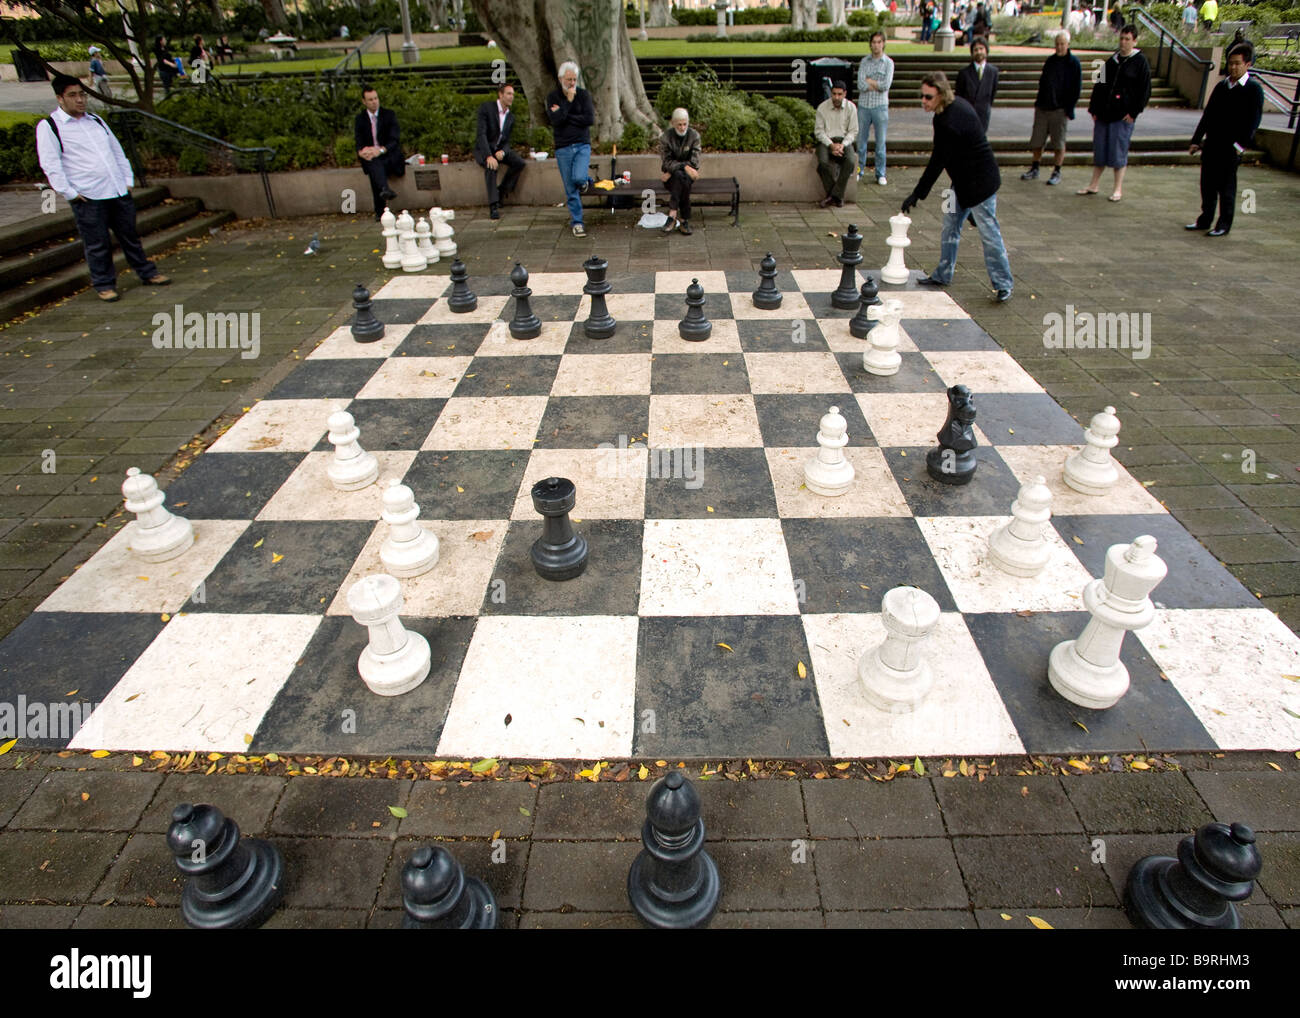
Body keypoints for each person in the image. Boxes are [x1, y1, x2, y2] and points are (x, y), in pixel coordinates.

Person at [36, 74, 171, 302]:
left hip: (116, 190)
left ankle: (147, 272)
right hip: (88, 196)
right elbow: (51, 164)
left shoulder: (96, 121)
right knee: (97, 243)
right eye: (72, 95)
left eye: (82, 94)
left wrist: (127, 179)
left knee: (130, 236)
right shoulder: (50, 126)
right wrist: (70, 192)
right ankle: (104, 284)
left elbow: (116, 151)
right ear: (60, 99)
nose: (80, 100)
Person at [900, 72, 1013, 303]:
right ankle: (943, 274)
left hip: (981, 185)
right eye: (921, 96)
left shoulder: (949, 120)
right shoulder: (948, 110)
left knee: (990, 234)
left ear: (941, 95)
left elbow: (936, 162)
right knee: (950, 225)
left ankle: (1003, 284)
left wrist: (917, 194)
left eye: (928, 97)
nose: (923, 101)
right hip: (959, 183)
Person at [1186, 41, 1264, 236]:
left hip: (1231, 147)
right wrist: (1196, 139)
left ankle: (1223, 224)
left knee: (1226, 188)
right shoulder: (1222, 86)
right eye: (1231, 63)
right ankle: (1205, 219)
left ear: (1247, 64)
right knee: (1207, 186)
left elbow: (1253, 121)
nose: (1233, 67)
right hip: (1212, 143)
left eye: (1237, 63)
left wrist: (1239, 146)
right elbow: (1208, 115)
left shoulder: (1253, 89)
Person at [1078, 24, 1150, 201]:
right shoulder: (1111, 61)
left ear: (1134, 41)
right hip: (1104, 113)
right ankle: (1094, 184)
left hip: (1122, 116)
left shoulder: (1140, 62)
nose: (1123, 42)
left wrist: (1133, 112)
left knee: (1119, 151)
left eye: (1127, 39)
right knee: (1100, 150)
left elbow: (1144, 91)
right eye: (1122, 38)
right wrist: (1093, 109)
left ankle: (1118, 188)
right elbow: (1099, 85)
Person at [1021, 31, 1082, 186]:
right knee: (1037, 140)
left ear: (1067, 45)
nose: (1059, 47)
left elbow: (1076, 88)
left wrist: (1069, 108)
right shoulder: (1050, 61)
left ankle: (1057, 170)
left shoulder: (1073, 63)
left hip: (1060, 109)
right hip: (1043, 106)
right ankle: (1035, 167)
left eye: (1062, 44)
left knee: (1058, 142)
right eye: (1057, 44)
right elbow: (1043, 82)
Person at [547, 62, 595, 238]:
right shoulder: (553, 97)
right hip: (563, 147)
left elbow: (589, 119)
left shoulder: (583, 95)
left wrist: (565, 115)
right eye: (569, 79)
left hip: (582, 144)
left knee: (579, 177)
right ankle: (578, 222)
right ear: (561, 79)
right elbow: (556, 120)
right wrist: (567, 102)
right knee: (570, 189)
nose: (572, 83)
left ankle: (586, 181)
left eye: (574, 79)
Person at [474, 82, 525, 221]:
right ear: (500, 95)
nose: (511, 97)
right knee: (492, 166)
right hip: (485, 150)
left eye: (513, 94)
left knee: (519, 163)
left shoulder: (510, 116)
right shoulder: (487, 108)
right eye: (508, 94)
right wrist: (489, 156)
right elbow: (481, 135)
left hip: (498, 150)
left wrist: (503, 150)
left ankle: (502, 191)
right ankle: (494, 205)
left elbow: (507, 140)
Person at [353, 85, 404, 220]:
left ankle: (380, 210)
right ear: (364, 101)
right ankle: (384, 190)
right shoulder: (360, 119)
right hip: (371, 157)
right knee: (373, 162)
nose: (374, 102)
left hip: (389, 155)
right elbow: (358, 141)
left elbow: (394, 140)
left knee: (375, 164)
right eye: (370, 100)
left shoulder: (389, 115)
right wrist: (361, 152)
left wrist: (380, 150)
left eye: (376, 98)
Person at [857, 31, 894, 187]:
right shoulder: (864, 62)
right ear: (870, 44)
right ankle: (859, 170)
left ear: (883, 43)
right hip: (864, 106)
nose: (876, 45)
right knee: (861, 143)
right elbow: (861, 84)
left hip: (880, 107)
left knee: (880, 143)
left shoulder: (888, 63)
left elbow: (885, 86)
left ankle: (881, 173)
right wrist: (874, 84)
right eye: (874, 42)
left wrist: (870, 81)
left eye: (879, 42)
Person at [814, 80, 858, 208]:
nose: (836, 97)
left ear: (845, 94)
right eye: (834, 94)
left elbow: (853, 131)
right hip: (826, 141)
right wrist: (831, 145)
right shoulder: (822, 107)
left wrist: (842, 145)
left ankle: (832, 196)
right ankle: (837, 196)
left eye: (839, 94)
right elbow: (819, 132)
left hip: (844, 141)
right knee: (822, 163)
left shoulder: (851, 108)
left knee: (850, 161)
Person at [659, 107, 701, 235]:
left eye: (685, 124)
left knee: (680, 176)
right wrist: (685, 167)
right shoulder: (666, 137)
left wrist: (676, 168)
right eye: (679, 125)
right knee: (680, 177)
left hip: (680, 175)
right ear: (673, 123)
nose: (682, 128)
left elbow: (695, 162)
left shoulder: (694, 136)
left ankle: (672, 214)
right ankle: (684, 220)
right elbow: (666, 163)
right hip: (674, 178)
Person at [955, 36, 999, 132]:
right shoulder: (964, 73)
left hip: (983, 114)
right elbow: (959, 96)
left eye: (981, 49)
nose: (979, 52)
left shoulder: (993, 72)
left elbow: (992, 93)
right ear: (972, 53)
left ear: (986, 50)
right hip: (967, 115)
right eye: (975, 50)